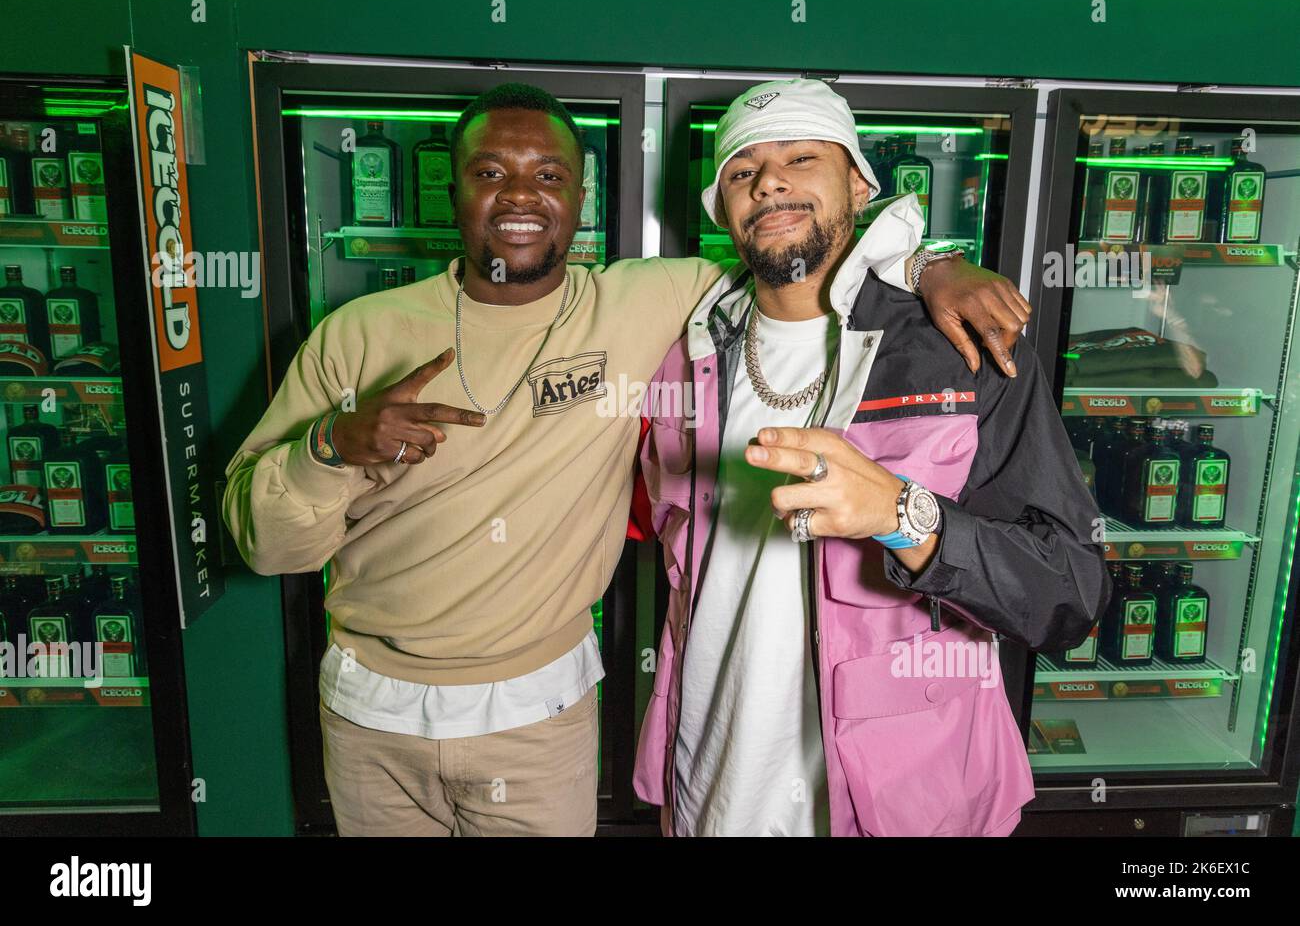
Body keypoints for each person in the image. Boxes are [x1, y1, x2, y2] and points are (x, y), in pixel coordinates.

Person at [223, 81, 1030, 837]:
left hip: (539, 719)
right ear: (453, 189)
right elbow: (266, 546)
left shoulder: (649, 302)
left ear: (582, 198)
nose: (518, 195)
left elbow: (804, 246)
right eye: (489, 172)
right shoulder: (357, 334)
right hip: (373, 715)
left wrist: (932, 267)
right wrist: (333, 446)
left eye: (548, 174)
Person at [631, 78, 1111, 837]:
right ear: (722, 209)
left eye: (801, 158)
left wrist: (903, 516)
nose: (772, 182)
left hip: (899, 807)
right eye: (742, 171)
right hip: (712, 792)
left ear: (859, 185)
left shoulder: (960, 352)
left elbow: (1071, 595)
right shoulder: (681, 356)